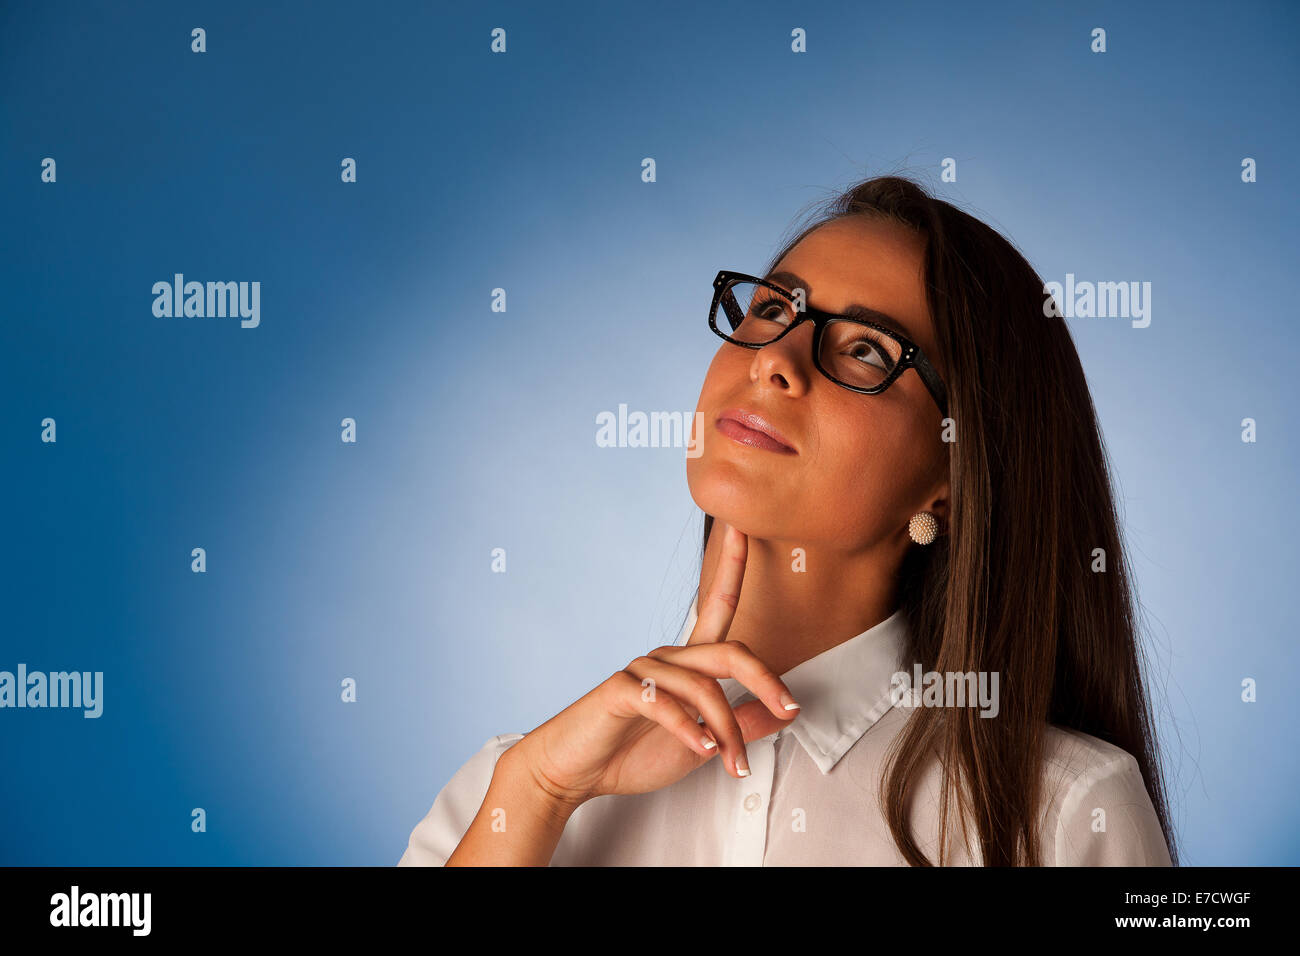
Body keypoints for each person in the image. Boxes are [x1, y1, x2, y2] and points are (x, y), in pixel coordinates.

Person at [398, 175, 1177, 866]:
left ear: (950, 477)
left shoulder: (1069, 814)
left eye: (868, 350)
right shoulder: (517, 786)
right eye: (775, 307)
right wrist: (539, 793)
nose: (776, 358)